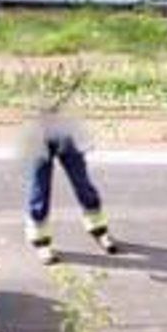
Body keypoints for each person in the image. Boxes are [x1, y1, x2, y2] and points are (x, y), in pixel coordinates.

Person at [16, 105, 119, 265]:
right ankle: (41, 242)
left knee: (82, 182)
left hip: (65, 126)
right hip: (36, 128)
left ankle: (99, 230)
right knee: (39, 189)